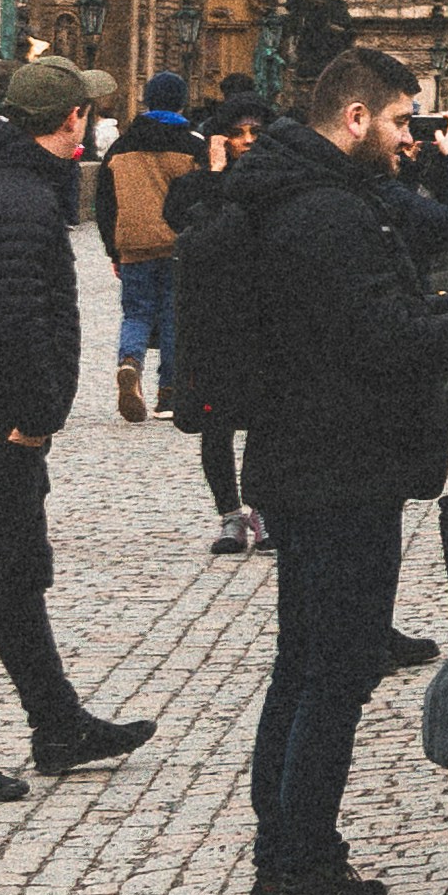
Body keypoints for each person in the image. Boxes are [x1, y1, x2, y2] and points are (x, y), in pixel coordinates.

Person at [193, 46, 448, 895]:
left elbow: (356, 317)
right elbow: (375, 339)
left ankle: (289, 862)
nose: (407, 139)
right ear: (354, 119)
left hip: (311, 463)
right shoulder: (327, 211)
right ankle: (301, 876)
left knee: (306, 667)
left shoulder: (308, 195)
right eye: (399, 122)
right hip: (339, 467)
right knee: (331, 676)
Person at [0, 60, 153, 804]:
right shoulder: (21, 200)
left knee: (17, 581)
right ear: (73, 119)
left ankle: (57, 723)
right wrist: (34, 417)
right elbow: (13, 322)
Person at [98, 72, 209, 425]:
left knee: (136, 313)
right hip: (179, 242)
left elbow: (105, 203)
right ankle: (168, 395)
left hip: (133, 242)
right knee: (174, 314)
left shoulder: (121, 146)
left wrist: (113, 249)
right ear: (181, 101)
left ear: (146, 100)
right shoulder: (193, 145)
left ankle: (130, 361)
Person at [188, 91, 269, 555]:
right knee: (216, 425)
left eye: (255, 133)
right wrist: (216, 175)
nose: (247, 142)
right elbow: (199, 239)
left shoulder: (278, 183)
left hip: (264, 317)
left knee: (264, 420)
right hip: (216, 320)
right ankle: (229, 514)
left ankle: (261, 507)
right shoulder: (199, 187)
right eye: (237, 134)